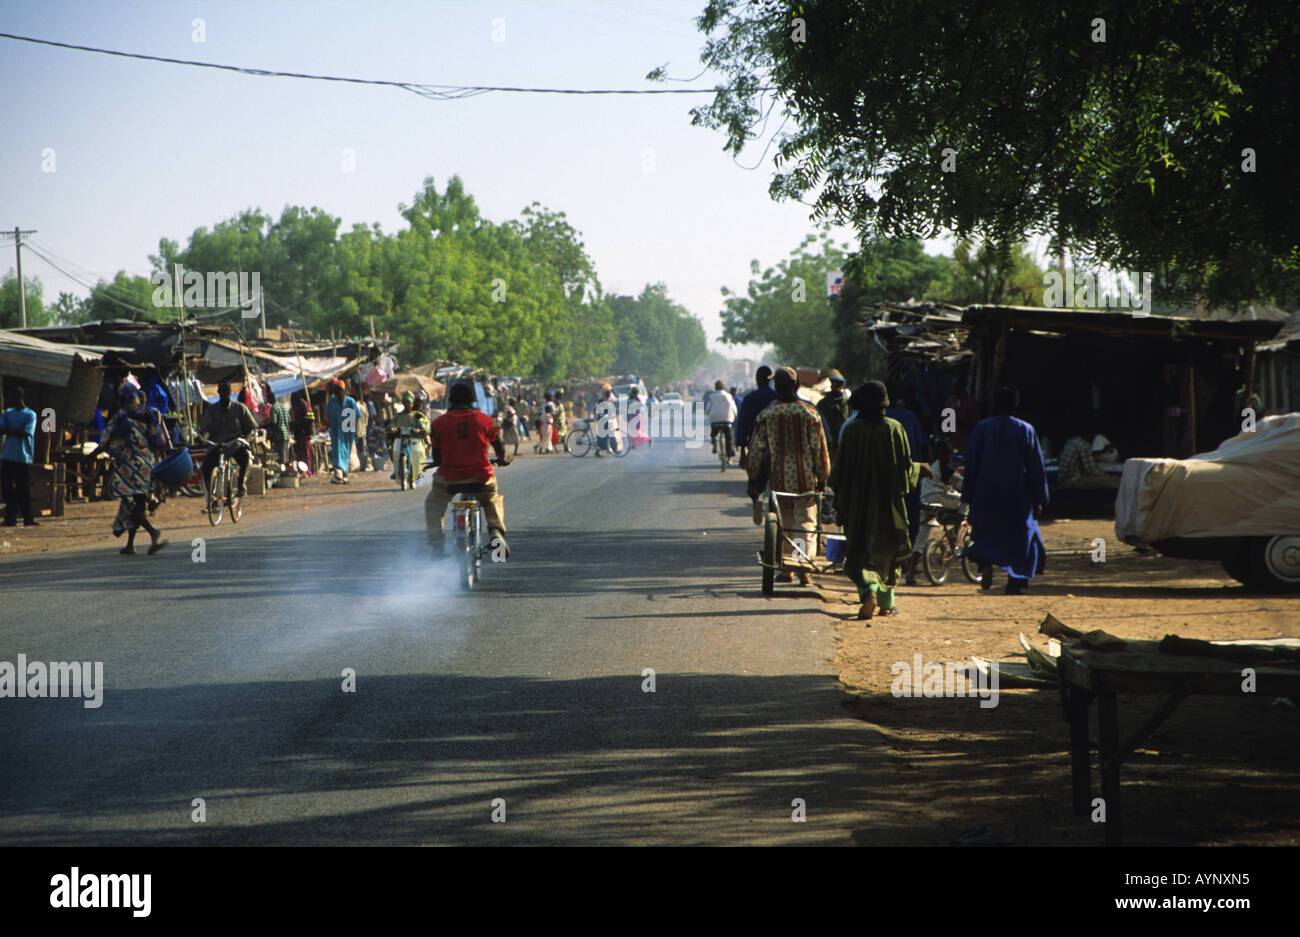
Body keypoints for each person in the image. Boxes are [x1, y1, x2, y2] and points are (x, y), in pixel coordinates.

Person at [831, 381, 929, 618]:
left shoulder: (853, 431)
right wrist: (920, 469)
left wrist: (841, 500)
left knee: (861, 551)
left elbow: (839, 472)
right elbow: (905, 469)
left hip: (857, 506)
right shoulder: (895, 428)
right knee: (888, 552)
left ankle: (869, 593)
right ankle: (886, 603)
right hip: (889, 506)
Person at [746, 367, 831, 586]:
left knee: (785, 523)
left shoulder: (767, 414)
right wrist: (823, 477)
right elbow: (819, 449)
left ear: (776, 387)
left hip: (779, 479)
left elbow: (756, 451)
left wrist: (753, 479)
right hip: (806, 480)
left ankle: (786, 570)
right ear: (796, 386)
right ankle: (803, 568)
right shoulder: (809, 413)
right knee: (806, 523)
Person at [961, 385, 1049, 595]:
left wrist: (968, 494)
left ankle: (985, 563)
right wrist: (1039, 498)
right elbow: (1036, 466)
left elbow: (971, 462)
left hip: (986, 492)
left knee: (986, 533)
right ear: (1015, 404)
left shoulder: (982, 428)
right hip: (1016, 494)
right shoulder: (1025, 429)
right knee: (1021, 538)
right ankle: (1015, 581)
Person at [425, 381, 511, 553]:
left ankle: (436, 543)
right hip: (480, 477)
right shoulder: (486, 420)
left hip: (449, 479)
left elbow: (437, 457)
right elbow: (499, 444)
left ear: (451, 400)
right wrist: (502, 458)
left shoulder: (437, 424)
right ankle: (495, 532)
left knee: (434, 502)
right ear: (472, 399)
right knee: (492, 499)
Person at [98, 382, 169, 554]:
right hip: (147, 463)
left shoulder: (121, 416)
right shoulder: (149, 413)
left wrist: (92, 456)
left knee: (134, 502)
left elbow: (105, 440)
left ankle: (153, 532)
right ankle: (130, 544)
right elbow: (159, 440)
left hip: (130, 465)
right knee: (135, 504)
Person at [199, 381, 256, 498]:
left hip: (235, 445)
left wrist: (247, 439)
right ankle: (212, 496)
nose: (224, 395)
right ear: (218, 392)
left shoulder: (239, 408)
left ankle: (241, 485)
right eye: (222, 392)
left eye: (226, 392)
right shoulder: (211, 410)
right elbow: (206, 429)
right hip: (217, 445)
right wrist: (203, 438)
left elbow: (251, 427)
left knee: (245, 457)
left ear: (230, 393)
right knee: (206, 466)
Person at [0, 384, 38, 527]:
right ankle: (11, 517)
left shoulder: (30, 414)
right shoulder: (8, 413)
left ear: (19, 397)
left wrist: (10, 430)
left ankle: (27, 517)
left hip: (22, 457)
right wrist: (15, 430)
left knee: (23, 489)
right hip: (7, 455)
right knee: (7, 489)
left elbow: (26, 432)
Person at [735, 365, 777, 456]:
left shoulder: (750, 398)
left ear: (757, 379)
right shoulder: (777, 397)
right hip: (776, 445)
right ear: (770, 380)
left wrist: (742, 448)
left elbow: (743, 423)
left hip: (755, 444)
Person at [388, 391, 431, 479]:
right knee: (392, 448)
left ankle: (420, 468)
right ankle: (396, 468)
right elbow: (392, 425)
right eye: (405, 402)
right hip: (401, 437)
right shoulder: (398, 416)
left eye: (409, 402)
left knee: (422, 448)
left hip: (416, 438)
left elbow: (425, 426)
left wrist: (421, 429)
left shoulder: (418, 415)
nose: (407, 404)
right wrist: (392, 429)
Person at [325, 380, 357, 484]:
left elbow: (356, 417)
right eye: (336, 391)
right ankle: (338, 475)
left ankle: (345, 474)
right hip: (335, 431)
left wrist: (353, 432)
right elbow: (328, 417)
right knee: (337, 452)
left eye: (339, 390)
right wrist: (326, 426)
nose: (338, 393)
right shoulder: (332, 401)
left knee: (346, 452)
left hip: (347, 431)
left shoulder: (350, 402)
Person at [816, 370, 850, 461]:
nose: (834, 388)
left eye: (837, 386)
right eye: (833, 385)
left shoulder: (848, 403)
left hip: (843, 441)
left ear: (841, 386)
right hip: (828, 440)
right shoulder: (823, 403)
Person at [942, 377, 981, 455]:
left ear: (963, 387)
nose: (954, 389)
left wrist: (962, 421)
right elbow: (945, 423)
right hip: (952, 444)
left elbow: (976, 425)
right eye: (953, 386)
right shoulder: (950, 401)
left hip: (966, 444)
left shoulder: (971, 403)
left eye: (957, 386)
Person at [705, 379, 737, 460]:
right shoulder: (728, 396)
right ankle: (729, 454)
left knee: (714, 433)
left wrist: (709, 415)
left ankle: (714, 441)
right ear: (723, 387)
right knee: (728, 438)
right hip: (727, 420)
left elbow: (707, 409)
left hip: (715, 419)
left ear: (715, 387)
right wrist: (735, 416)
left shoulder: (712, 397)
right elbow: (733, 408)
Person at [290, 389, 316, 476]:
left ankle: (307, 471)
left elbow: (308, 419)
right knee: (301, 453)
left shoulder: (303, 405)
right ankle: (302, 470)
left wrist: (297, 423)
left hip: (305, 433)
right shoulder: (298, 405)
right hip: (300, 433)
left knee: (306, 452)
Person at [266, 388, 291, 468]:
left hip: (279, 435)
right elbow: (289, 420)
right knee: (286, 456)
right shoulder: (283, 407)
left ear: (270, 399)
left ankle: (281, 475)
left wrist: (266, 427)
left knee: (280, 458)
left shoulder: (273, 408)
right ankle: (286, 472)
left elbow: (274, 422)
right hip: (286, 434)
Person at [352, 385, 371, 472]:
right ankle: (362, 465)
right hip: (362, 428)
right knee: (362, 448)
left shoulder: (356, 405)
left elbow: (356, 418)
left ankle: (361, 465)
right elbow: (367, 417)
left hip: (358, 428)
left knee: (359, 448)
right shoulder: (363, 405)